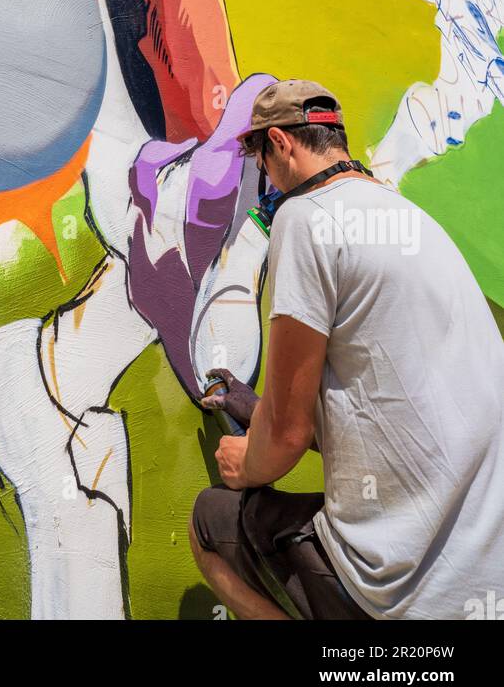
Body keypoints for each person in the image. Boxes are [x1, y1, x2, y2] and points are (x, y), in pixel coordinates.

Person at [189, 78, 504, 620]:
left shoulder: (304, 218)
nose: (265, 179)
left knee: (209, 521)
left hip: (407, 589)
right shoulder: (412, 220)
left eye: (261, 162)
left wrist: (250, 463)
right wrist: (250, 406)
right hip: (486, 571)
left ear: (281, 145)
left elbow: (286, 438)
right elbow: (385, 413)